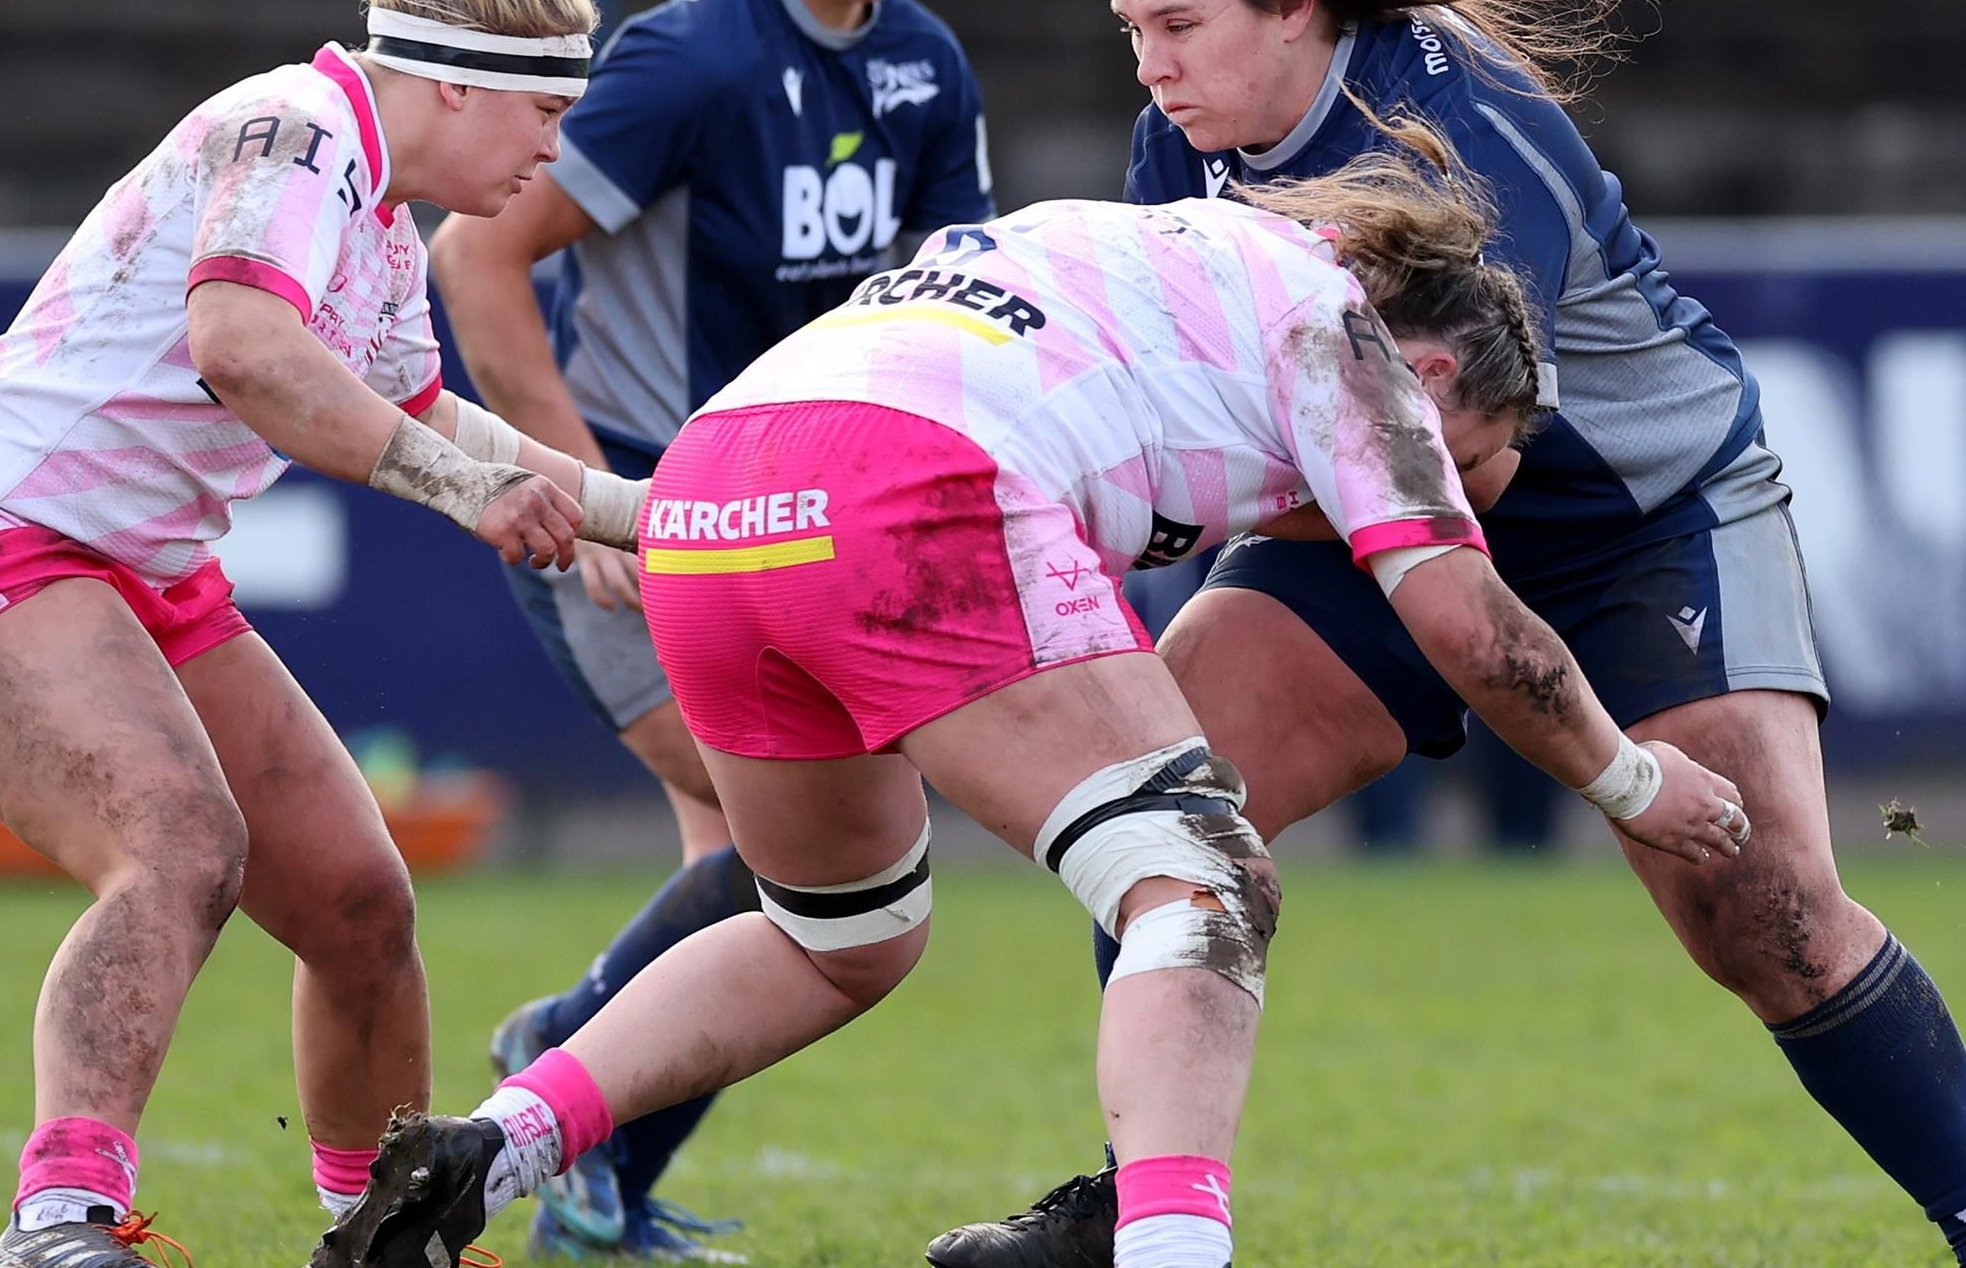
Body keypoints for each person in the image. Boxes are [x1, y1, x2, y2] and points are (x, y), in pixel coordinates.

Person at [924, 0, 1966, 1268]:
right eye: (1131, 32)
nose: (1149, 65)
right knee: (1172, 823)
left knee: (1764, 909)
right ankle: (1139, 1205)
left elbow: (1470, 429)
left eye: (1177, 25)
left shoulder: (1452, 113)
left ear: (1296, 5)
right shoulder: (1190, 136)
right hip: (1368, 515)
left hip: (1629, 517)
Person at [309, 130, 1750, 1268]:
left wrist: (634, 507)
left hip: (716, 487)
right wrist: (1631, 778)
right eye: (1475, 464)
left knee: (836, 935)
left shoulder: (1149, 251)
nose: (1459, 502)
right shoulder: (1348, 339)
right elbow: (1465, 617)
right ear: (1434, 372)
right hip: (912, 485)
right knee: (1204, 881)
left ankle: (484, 1152)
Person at [0, 0, 644, 1268]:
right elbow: (247, 348)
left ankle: (382, 1236)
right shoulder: (301, 125)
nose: (551, 157)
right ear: (452, 83)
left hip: (127, 572)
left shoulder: (378, 216)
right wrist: (466, 496)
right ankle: (58, 1224)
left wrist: (658, 516)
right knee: (178, 844)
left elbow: (423, 409)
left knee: (359, 903)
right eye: (545, 114)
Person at [425, 0, 990, 1255]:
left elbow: (951, 302)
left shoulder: (924, 62)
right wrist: (579, 487)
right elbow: (471, 255)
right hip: (650, 520)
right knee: (800, 850)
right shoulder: (688, 61)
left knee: (760, 886)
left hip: (804, 527)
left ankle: (592, 1171)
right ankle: (561, 1051)